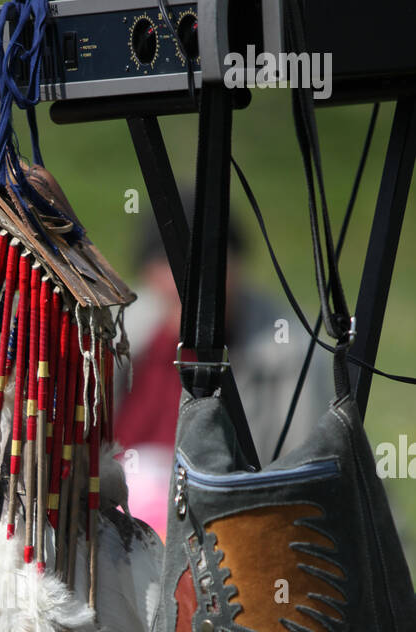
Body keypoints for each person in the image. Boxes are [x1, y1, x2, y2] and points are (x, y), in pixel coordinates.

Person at [115, 193, 330, 538]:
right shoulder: (121, 339)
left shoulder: (289, 357)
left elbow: (306, 484)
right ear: (148, 274)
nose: (193, 284)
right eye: (174, 265)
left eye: (214, 263)